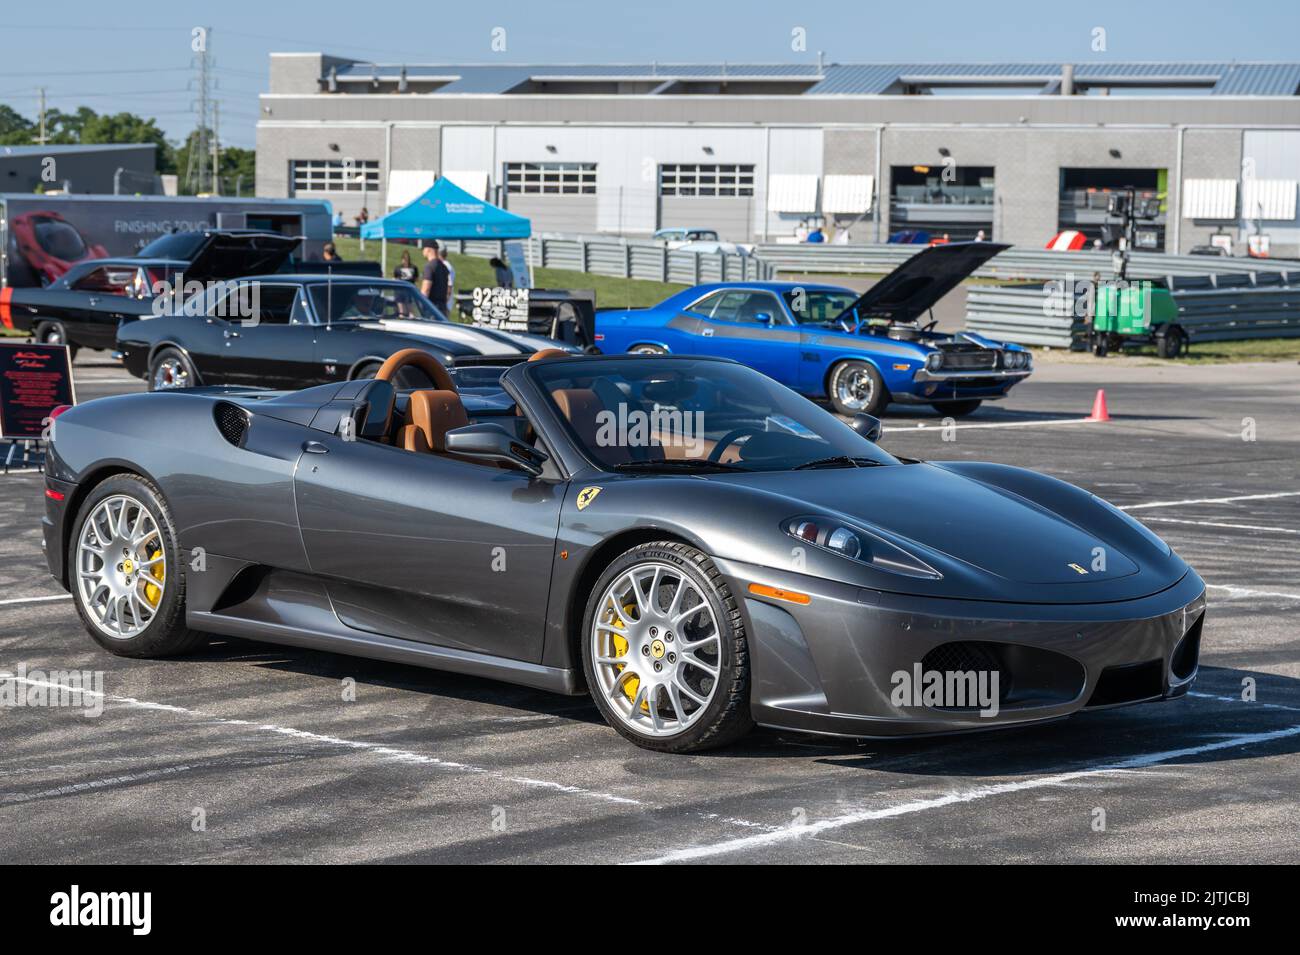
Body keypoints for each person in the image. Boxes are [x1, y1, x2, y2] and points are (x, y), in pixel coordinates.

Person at [419, 239, 449, 308]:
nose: (423, 251)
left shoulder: (429, 267)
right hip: (442, 308)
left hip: (431, 309)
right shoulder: (444, 267)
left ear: (428, 249)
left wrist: (421, 306)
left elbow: (426, 290)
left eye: (423, 249)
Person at [439, 245, 456, 314]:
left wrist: (444, 303)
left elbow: (449, 286)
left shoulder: (446, 266)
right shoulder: (444, 265)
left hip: (444, 304)